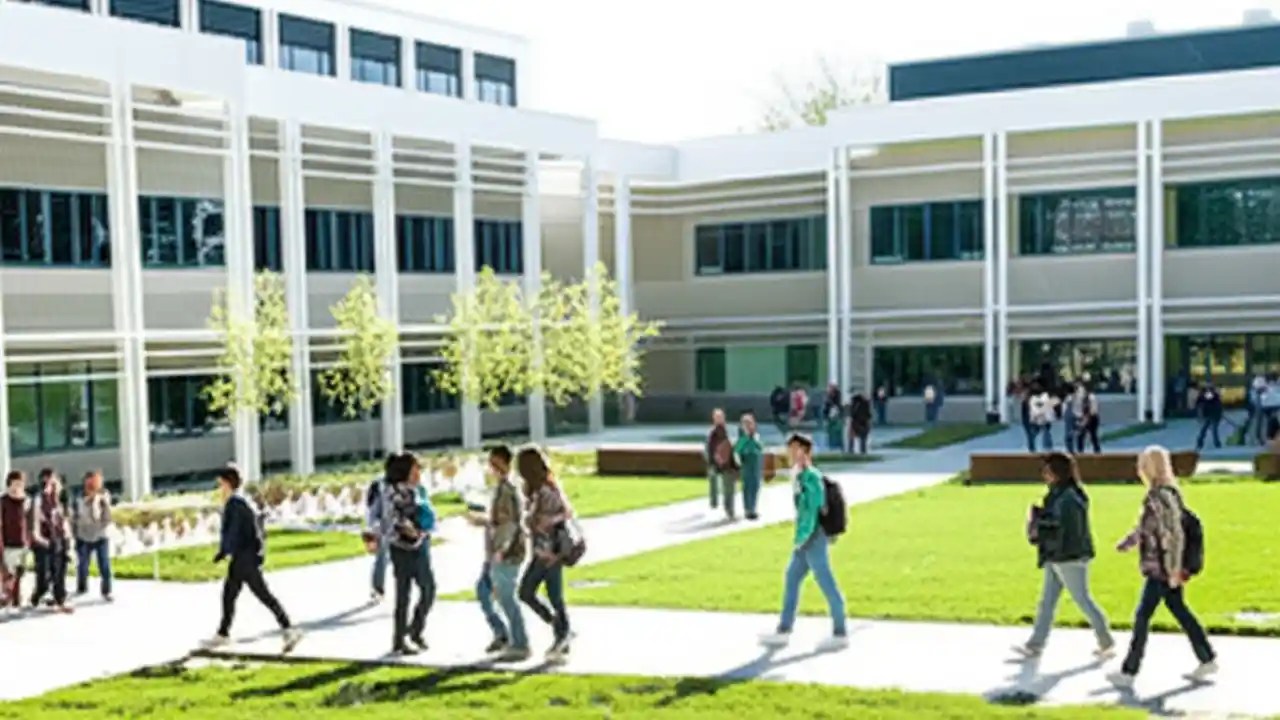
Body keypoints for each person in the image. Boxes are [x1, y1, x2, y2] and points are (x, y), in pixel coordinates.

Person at [1107, 446, 1217, 687]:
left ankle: (1129, 671)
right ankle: (1207, 658)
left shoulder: (1159, 497)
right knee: (1179, 611)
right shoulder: (1169, 493)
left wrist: (1174, 569)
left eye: (1142, 464)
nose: (1138, 469)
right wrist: (1129, 542)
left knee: (1142, 616)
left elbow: (1174, 535)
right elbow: (1147, 528)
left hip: (1162, 569)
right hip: (1164, 567)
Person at [1012, 453, 1114, 660]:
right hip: (1058, 555)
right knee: (1047, 601)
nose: (1044, 475)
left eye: (1047, 470)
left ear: (1057, 472)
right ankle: (1035, 644)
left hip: (1069, 557)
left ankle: (1105, 640)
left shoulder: (1067, 498)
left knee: (1082, 599)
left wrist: (1038, 524)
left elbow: (1065, 529)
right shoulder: (1063, 494)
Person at [759, 433, 848, 652]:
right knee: (791, 578)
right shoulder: (799, 475)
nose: (790, 453)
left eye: (795, 449)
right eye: (789, 449)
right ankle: (783, 630)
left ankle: (840, 632)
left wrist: (804, 537)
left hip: (813, 538)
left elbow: (814, 509)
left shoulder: (811, 477)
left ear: (805, 452)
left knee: (826, 581)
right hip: (804, 539)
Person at [205, 465, 302, 653]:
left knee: (261, 595)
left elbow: (233, 532)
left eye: (220, 484)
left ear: (227, 483)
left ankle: (289, 629)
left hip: (244, 558)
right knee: (230, 595)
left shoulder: (235, 503)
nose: (219, 489)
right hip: (245, 556)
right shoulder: (242, 500)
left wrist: (223, 551)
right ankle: (223, 633)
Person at [518, 447, 575, 660]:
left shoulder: (546, 490)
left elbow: (566, 512)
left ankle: (562, 635)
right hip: (539, 550)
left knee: (551, 595)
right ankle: (560, 629)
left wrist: (549, 521)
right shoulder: (534, 491)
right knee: (528, 593)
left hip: (551, 551)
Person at [476, 445, 529, 660]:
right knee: (484, 590)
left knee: (506, 596)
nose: (491, 468)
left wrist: (502, 549)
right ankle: (502, 634)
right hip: (495, 550)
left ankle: (520, 642)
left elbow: (510, 524)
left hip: (505, 552)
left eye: (495, 463)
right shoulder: (501, 488)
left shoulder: (507, 490)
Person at [381, 452, 431, 656]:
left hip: (417, 545)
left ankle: (412, 631)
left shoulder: (414, 491)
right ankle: (401, 638)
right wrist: (415, 531)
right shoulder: (397, 493)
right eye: (416, 468)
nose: (419, 472)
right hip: (404, 548)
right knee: (406, 593)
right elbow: (397, 521)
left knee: (426, 589)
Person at [28, 469, 71, 613]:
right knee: (44, 575)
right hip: (43, 540)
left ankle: (60, 599)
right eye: (49, 481)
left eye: (54, 481)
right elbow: (34, 520)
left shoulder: (59, 499)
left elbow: (64, 519)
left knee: (59, 571)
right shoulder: (38, 499)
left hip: (58, 539)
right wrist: (37, 536)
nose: (53, 484)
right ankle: (38, 595)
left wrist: (67, 535)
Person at [73, 470, 114, 602]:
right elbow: (75, 517)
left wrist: (99, 502)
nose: (92, 486)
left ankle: (107, 590)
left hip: (100, 535)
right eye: (89, 483)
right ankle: (82, 586)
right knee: (83, 564)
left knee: (104, 564)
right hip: (83, 535)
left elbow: (107, 517)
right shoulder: (78, 498)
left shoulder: (104, 496)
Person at [364, 455, 395, 603]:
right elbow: (372, 509)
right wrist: (374, 527)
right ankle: (378, 589)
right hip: (383, 527)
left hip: (401, 526)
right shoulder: (379, 485)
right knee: (382, 557)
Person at [0, 471, 29, 610]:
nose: (17, 487)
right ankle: (7, 597)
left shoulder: (26, 501)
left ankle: (16, 598)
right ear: (9, 484)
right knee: (8, 573)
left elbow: (30, 521)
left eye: (20, 484)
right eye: (15, 483)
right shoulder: (3, 501)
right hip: (8, 543)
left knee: (20, 572)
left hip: (23, 542)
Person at [705, 409, 738, 519]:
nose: (719, 420)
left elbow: (732, 448)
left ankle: (729, 510)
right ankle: (721, 505)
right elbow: (710, 450)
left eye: (721, 417)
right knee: (726, 487)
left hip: (728, 465)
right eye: (717, 418)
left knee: (729, 488)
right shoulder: (712, 434)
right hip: (719, 464)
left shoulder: (729, 431)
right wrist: (712, 463)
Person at [734, 413, 765, 521]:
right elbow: (737, 451)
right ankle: (748, 510)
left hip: (756, 465)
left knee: (756, 486)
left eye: (751, 423)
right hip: (747, 465)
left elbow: (761, 448)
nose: (750, 426)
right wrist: (739, 464)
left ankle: (753, 508)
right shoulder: (743, 438)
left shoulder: (756, 436)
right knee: (748, 487)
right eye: (747, 424)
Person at [1194, 382, 1223, 451]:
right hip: (1211, 414)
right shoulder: (1212, 395)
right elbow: (1217, 404)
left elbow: (1199, 403)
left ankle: (1200, 443)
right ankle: (1216, 443)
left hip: (1209, 414)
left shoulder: (1204, 395)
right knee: (1212, 430)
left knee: (1205, 430)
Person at [1076, 384, 1102, 454]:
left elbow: (1093, 410)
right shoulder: (1080, 399)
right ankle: (1080, 453)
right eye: (1078, 391)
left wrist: (1086, 419)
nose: (1079, 393)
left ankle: (1097, 453)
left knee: (1093, 436)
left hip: (1092, 419)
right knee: (1080, 436)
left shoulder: (1092, 397)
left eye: (1080, 391)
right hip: (1085, 418)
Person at [1029, 385, 1055, 451]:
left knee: (1041, 432)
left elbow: (1036, 410)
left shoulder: (1036, 399)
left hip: (1042, 419)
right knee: (1044, 432)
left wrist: (1035, 415)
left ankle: (1045, 446)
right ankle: (1047, 446)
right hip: (1043, 419)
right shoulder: (1042, 398)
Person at [1061, 382, 1078, 454]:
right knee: (1069, 434)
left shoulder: (1070, 398)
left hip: (1069, 416)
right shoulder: (1071, 397)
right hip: (1069, 416)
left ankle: (1070, 450)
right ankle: (1070, 449)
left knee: (1069, 435)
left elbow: (1067, 408)